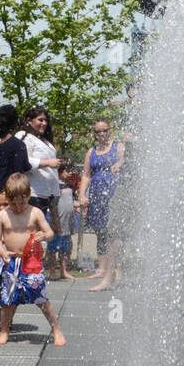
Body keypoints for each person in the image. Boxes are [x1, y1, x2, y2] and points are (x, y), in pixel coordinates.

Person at [0, 173, 63, 347]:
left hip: (31, 263)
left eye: (21, 202)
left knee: (41, 299)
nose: (17, 207)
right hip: (11, 262)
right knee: (7, 300)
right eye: (13, 203)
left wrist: (43, 234)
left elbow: (51, 232)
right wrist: (1, 251)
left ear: (29, 195)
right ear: (7, 198)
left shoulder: (35, 213)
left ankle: (56, 329)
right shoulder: (2, 215)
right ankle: (4, 331)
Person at [78, 117, 122, 292]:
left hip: (114, 195)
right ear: (94, 133)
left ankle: (115, 272)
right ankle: (103, 270)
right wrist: (82, 194)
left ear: (110, 130)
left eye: (105, 130)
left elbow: (129, 162)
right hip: (97, 196)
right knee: (101, 233)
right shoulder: (91, 152)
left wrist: (120, 163)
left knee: (114, 234)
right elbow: (86, 175)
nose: (102, 134)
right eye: (99, 131)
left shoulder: (118, 146)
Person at [16, 105, 62, 260]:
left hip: (48, 193)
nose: (43, 123)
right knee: (32, 231)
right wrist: (47, 162)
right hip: (34, 192)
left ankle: (37, 263)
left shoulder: (45, 140)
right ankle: (26, 262)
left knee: (46, 232)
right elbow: (22, 160)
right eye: (40, 120)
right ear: (29, 120)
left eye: (45, 120)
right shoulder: (24, 136)